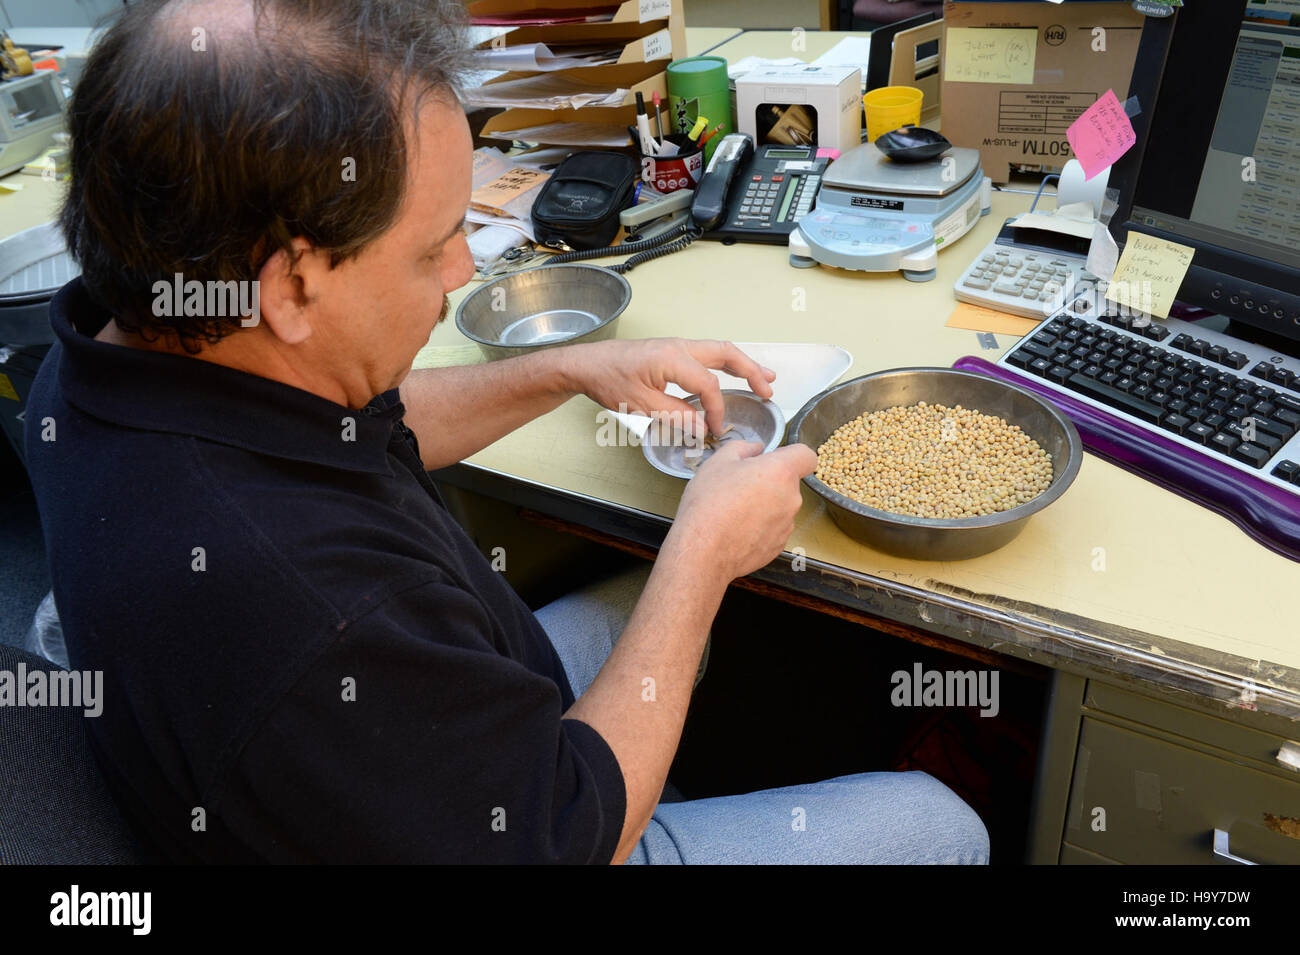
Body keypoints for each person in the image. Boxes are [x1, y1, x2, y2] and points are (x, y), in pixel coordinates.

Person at [24, 0, 988, 864]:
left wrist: (572, 367)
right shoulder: (315, 608)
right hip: (538, 823)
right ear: (290, 288)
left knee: (679, 609)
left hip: (397, 746)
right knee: (940, 825)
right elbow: (564, 831)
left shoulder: (115, 348)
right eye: (434, 242)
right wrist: (697, 556)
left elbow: (363, 430)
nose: (459, 272)